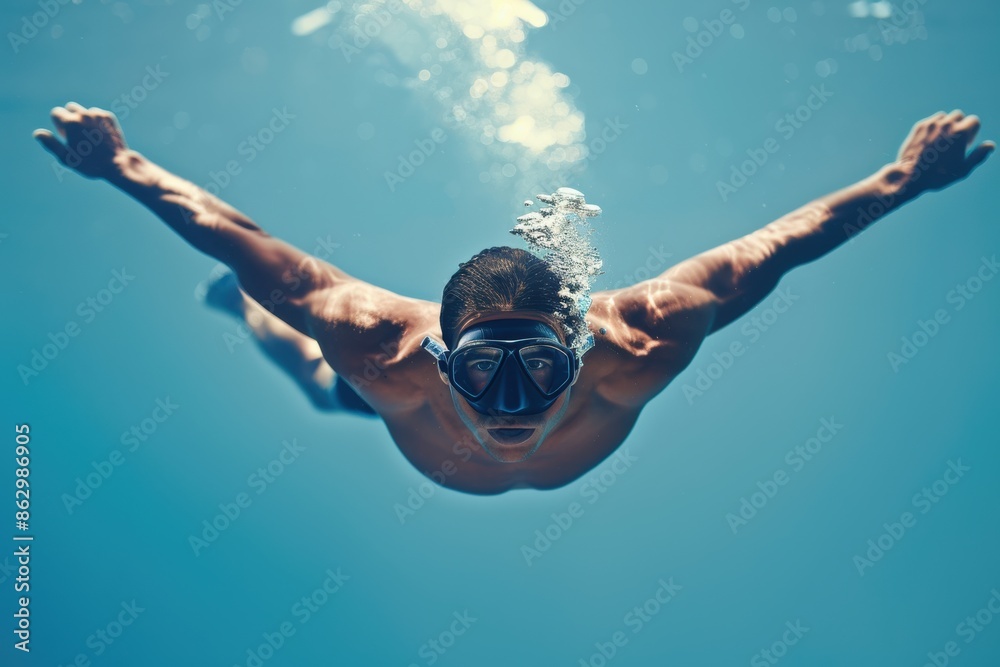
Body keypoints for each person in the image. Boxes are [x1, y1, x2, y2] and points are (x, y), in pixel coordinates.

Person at [34, 103, 993, 494]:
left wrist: (900, 181)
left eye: (537, 369)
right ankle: (239, 325)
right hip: (379, 395)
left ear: (578, 353)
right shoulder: (377, 345)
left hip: (411, 409)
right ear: (442, 359)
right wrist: (122, 165)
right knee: (306, 351)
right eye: (487, 372)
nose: (511, 406)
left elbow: (776, 249)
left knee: (321, 350)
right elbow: (253, 251)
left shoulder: (646, 333)